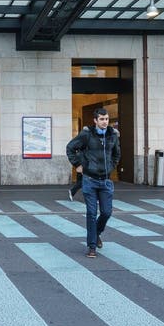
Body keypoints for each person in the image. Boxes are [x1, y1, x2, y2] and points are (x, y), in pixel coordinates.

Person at [66, 107, 121, 258]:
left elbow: (117, 154)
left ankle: (96, 233)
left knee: (106, 212)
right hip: (89, 180)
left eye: (106, 119)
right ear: (95, 120)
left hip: (105, 181)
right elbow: (70, 148)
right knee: (91, 213)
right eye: (102, 119)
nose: (105, 122)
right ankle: (91, 247)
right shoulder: (86, 134)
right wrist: (77, 165)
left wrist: (111, 166)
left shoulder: (113, 136)